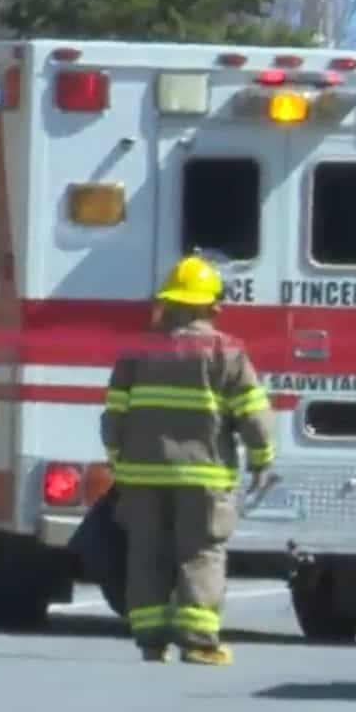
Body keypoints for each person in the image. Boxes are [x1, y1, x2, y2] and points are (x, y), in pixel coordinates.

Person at [100, 254, 275, 665]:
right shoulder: (227, 353)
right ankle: (197, 641)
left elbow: (114, 415)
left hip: (141, 476)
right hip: (204, 477)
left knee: (146, 553)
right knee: (201, 553)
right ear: (208, 305)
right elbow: (253, 413)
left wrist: (117, 461)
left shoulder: (136, 351)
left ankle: (151, 639)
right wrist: (262, 459)